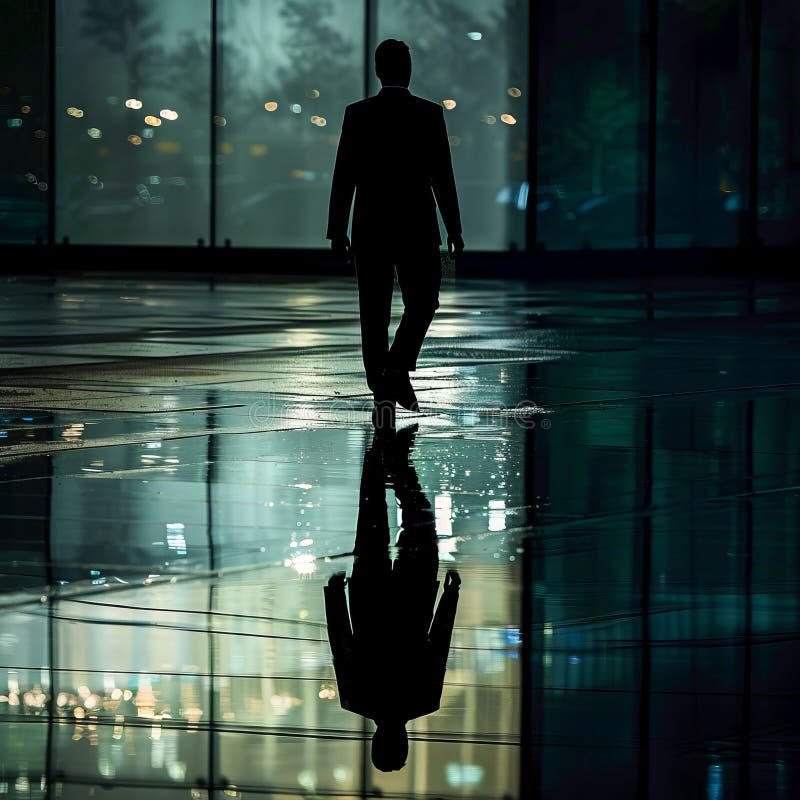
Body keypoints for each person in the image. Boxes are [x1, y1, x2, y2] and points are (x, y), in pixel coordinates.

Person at [327, 39, 464, 430]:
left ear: (377, 70)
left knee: (373, 310)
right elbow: (443, 176)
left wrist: (337, 229)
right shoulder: (429, 114)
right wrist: (454, 228)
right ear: (409, 69)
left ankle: (384, 384)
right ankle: (396, 368)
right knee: (424, 300)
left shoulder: (358, 114)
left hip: (370, 227)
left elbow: (345, 174)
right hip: (418, 227)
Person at [323, 425, 461, 772]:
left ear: (404, 743)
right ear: (374, 742)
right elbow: (341, 643)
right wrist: (334, 595)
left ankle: (396, 461)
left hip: (412, 601)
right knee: (371, 513)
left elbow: (439, 642)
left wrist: (450, 596)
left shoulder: (425, 700)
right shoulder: (356, 699)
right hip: (369, 600)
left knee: (419, 523)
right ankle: (380, 451)